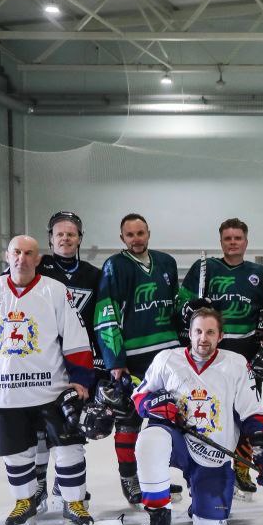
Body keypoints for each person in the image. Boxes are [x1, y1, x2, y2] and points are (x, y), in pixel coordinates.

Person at [0, 235, 95, 525]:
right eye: (17, 252)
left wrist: (81, 380)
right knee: (16, 454)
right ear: (7, 256)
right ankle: (25, 501)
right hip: (5, 394)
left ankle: (74, 502)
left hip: (53, 390)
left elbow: (75, 339)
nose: (22, 258)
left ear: (38, 258)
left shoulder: (54, 291)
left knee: (70, 448)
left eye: (29, 253)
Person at [131, 307, 263, 525]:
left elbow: (253, 412)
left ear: (220, 336)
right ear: (189, 333)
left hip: (213, 452)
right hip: (176, 440)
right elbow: (140, 396)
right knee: (150, 438)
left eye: (210, 332)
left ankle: (205, 496)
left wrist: (259, 449)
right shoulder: (167, 359)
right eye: (198, 331)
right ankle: (158, 516)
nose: (203, 338)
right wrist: (152, 405)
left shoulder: (236, 365)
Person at [180, 218, 263, 495]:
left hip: (247, 350)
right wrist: (190, 308)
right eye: (227, 238)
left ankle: (242, 465)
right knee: (214, 410)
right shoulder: (205, 269)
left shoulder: (260, 273)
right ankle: (211, 463)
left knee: (247, 411)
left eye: (238, 238)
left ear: (246, 242)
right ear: (220, 241)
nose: (233, 243)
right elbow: (182, 302)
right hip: (212, 351)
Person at [93, 213, 181, 506]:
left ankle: (156, 477)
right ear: (122, 239)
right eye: (129, 235)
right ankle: (129, 476)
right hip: (134, 358)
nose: (136, 239)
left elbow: (175, 308)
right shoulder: (114, 267)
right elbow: (107, 314)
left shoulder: (166, 262)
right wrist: (115, 360)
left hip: (168, 355)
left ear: (149, 233)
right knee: (128, 421)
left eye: (140, 233)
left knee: (166, 419)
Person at [30, 212, 102, 513]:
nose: (65, 238)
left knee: (71, 426)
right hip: (41, 362)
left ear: (79, 239)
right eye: (59, 234)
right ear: (50, 238)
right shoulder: (38, 266)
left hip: (77, 364)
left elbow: (101, 319)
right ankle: (37, 490)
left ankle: (65, 486)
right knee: (38, 432)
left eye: (71, 234)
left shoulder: (93, 275)